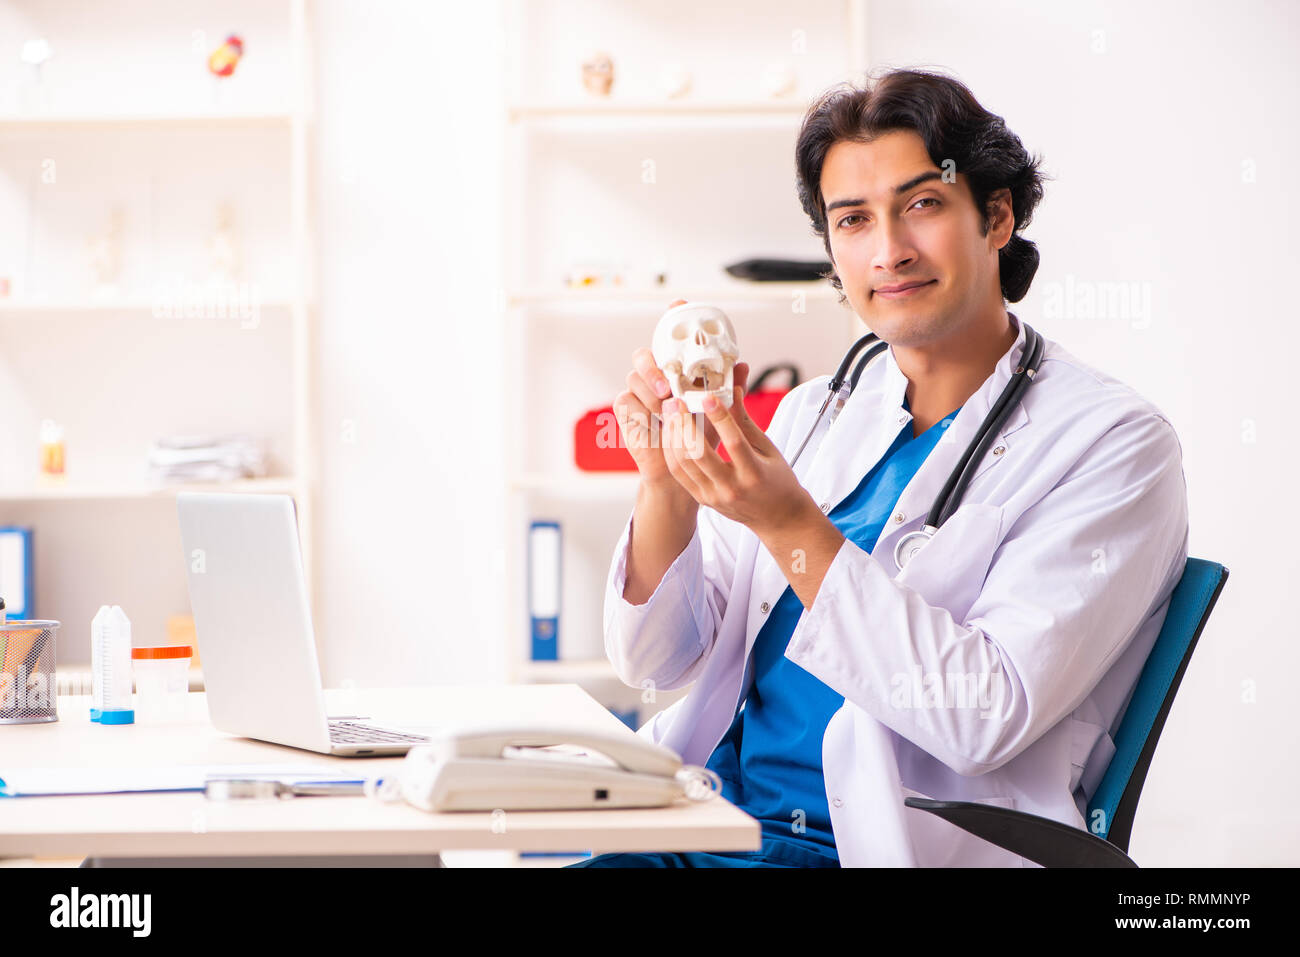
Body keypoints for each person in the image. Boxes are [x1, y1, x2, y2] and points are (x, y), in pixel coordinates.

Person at [567, 68, 1188, 867]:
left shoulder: (1113, 444)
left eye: (922, 204)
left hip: (878, 849)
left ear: (995, 215)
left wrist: (789, 523)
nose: (888, 250)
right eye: (853, 219)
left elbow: (982, 710)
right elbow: (658, 661)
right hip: (715, 823)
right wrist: (665, 489)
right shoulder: (815, 410)